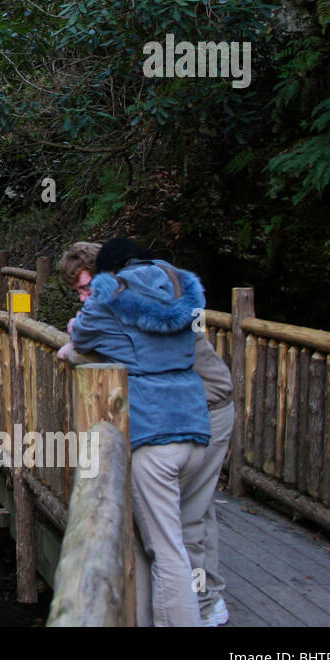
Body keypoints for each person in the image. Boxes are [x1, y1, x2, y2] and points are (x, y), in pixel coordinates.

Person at [57, 240, 234, 626]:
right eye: (80, 292)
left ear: (108, 277)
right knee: (182, 527)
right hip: (192, 425)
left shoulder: (112, 307)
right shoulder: (174, 299)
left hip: (178, 424)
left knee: (172, 541)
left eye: (90, 287)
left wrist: (74, 341)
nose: (87, 296)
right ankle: (197, 606)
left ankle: (204, 606)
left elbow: (86, 342)